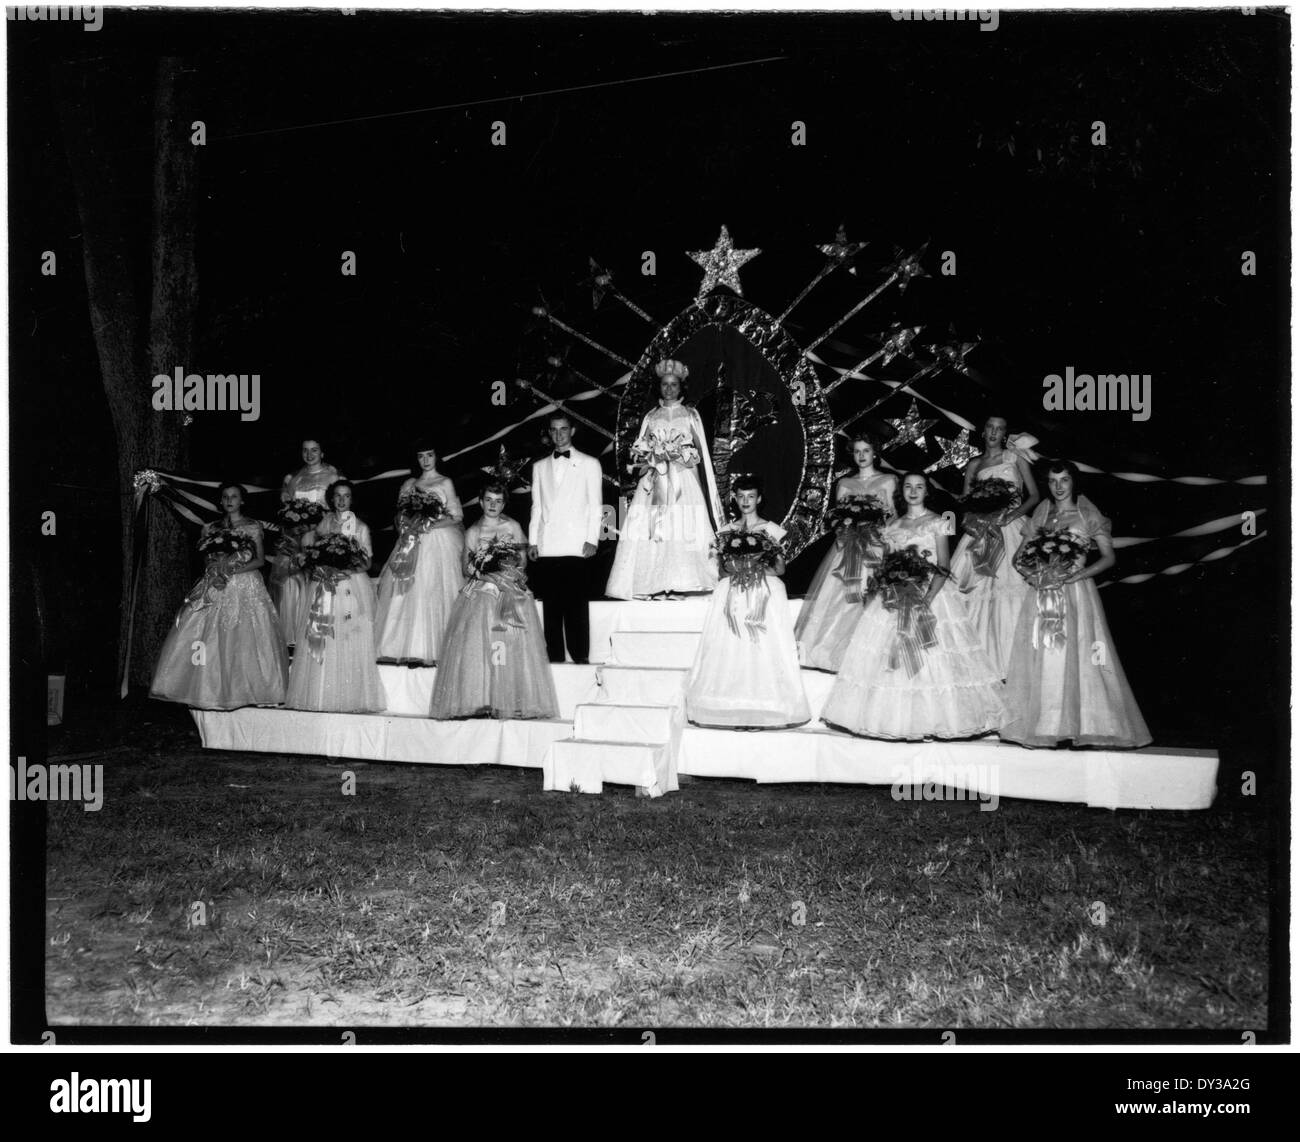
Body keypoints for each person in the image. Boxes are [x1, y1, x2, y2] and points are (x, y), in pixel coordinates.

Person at [822, 472, 1007, 741]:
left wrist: (926, 599)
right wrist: (891, 588)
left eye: (919, 487)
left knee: (932, 659)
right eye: (908, 486)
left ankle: (933, 721)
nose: (913, 491)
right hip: (896, 597)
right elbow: (887, 564)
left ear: (926, 492)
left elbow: (943, 566)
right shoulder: (893, 525)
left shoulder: (939, 522)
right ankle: (895, 721)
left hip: (932, 596)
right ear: (902, 492)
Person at [999, 461, 1152, 748]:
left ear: (1073, 483)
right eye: (1053, 481)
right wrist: (1036, 576)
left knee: (1082, 656)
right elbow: (1018, 559)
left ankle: (1087, 725)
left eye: (1064, 480)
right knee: (1044, 656)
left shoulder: (1087, 514)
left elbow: (1109, 558)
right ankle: (1045, 725)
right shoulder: (1042, 512)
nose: (1058, 487)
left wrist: (1077, 575)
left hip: (1076, 593)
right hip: (1042, 594)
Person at [684, 475, 811, 729]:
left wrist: (754, 567)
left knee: (760, 648)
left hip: (761, 594)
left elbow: (780, 569)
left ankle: (763, 709)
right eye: (741, 497)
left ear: (759, 499)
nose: (746, 501)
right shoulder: (726, 532)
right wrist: (738, 566)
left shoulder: (771, 530)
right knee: (733, 649)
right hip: (734, 594)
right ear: (735, 499)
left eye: (750, 496)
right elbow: (721, 572)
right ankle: (733, 708)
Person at [150, 483, 288, 710]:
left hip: (245, 584)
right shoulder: (211, 528)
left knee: (246, 634)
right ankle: (209, 688)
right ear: (221, 501)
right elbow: (207, 558)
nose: (230, 500)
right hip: (217, 583)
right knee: (209, 634)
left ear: (241, 501)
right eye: (225, 497)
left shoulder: (252, 527)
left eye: (234, 496)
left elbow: (259, 560)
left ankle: (250, 688)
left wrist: (230, 569)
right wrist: (214, 568)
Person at [430, 481, 559, 720]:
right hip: (484, 594)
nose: (493, 505)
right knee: (482, 648)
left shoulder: (512, 526)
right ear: (480, 502)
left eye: (498, 501)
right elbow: (467, 568)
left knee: (509, 645)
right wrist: (488, 573)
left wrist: (508, 575)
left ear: (504, 503)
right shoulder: (473, 532)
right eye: (488, 500)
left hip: (509, 592)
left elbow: (522, 561)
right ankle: (483, 699)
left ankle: (510, 700)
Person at [605, 359, 724, 600]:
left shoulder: (691, 415)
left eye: (674, 384)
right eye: (665, 384)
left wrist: (684, 460)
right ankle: (650, 583)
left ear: (681, 387)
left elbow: (700, 454)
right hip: (655, 479)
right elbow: (640, 449)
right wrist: (651, 457)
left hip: (683, 481)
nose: (669, 389)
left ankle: (683, 583)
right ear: (659, 387)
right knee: (652, 530)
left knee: (682, 529)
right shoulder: (651, 416)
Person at [794, 432, 898, 672]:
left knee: (872, 599)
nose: (861, 456)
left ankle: (867, 658)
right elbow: (840, 519)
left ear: (875, 453)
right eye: (857, 451)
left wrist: (884, 539)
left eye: (866, 451)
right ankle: (833, 654)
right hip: (850, 547)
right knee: (843, 598)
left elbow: (893, 516)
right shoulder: (844, 484)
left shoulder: (888, 480)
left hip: (877, 546)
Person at [948, 416, 1040, 676]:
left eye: (1000, 429)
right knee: (975, 591)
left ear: (1004, 434)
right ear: (983, 431)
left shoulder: (1015, 458)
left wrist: (1009, 516)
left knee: (1009, 592)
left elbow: (1034, 495)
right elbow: (966, 503)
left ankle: (1013, 665)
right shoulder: (974, 464)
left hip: (1011, 526)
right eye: (990, 427)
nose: (994, 432)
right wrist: (975, 521)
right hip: (981, 529)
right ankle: (976, 666)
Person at [285, 479, 386, 713]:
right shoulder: (323, 523)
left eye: (346, 496)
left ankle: (348, 696)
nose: (341, 500)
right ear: (332, 498)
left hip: (348, 585)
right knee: (324, 636)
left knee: (347, 635)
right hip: (324, 583)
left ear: (352, 499)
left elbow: (367, 561)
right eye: (338, 496)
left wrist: (346, 570)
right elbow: (313, 553)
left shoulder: (359, 527)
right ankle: (320, 694)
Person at [374, 443, 466, 665]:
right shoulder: (409, 484)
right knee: (406, 590)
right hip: (411, 541)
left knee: (432, 589)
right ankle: (401, 646)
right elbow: (399, 517)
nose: (425, 460)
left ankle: (435, 647)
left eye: (430, 455)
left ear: (437, 456)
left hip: (437, 542)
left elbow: (456, 516)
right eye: (421, 456)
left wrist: (427, 525)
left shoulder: (444, 482)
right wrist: (407, 525)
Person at [527, 412, 603, 663]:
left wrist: (593, 538)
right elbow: (536, 507)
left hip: (576, 545)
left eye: (563, 429)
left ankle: (580, 658)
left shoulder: (590, 463)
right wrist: (533, 541)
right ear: (549, 433)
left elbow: (596, 506)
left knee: (576, 608)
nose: (558, 435)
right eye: (554, 430)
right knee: (551, 610)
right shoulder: (538, 467)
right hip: (549, 545)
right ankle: (555, 661)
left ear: (572, 431)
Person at [269, 438, 342, 650]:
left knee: (318, 580)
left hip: (321, 534)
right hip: (296, 536)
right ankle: (294, 635)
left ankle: (321, 631)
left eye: (314, 450)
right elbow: (288, 512)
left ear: (322, 453)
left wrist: (317, 531)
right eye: (305, 451)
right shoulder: (295, 478)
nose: (310, 455)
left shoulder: (331, 475)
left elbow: (336, 507)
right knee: (292, 580)